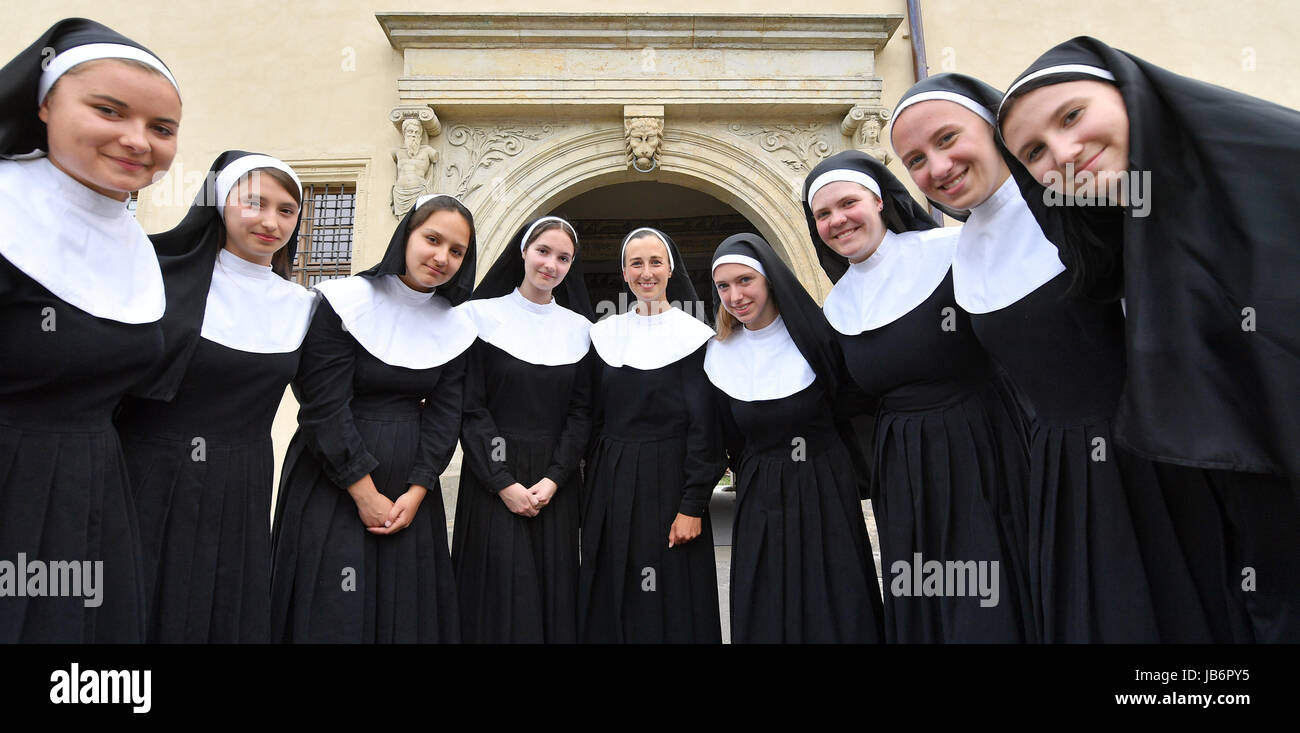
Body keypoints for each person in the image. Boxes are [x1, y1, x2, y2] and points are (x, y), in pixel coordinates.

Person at [891, 72, 1213, 642]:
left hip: (1154, 450)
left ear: (996, 130)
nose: (935, 169)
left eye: (947, 139)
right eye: (915, 160)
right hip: (1058, 469)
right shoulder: (961, 253)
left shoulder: (1077, 203)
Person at [998, 38, 1300, 641]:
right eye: (1034, 151)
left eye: (1072, 115)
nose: (1062, 151)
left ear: (1131, 93)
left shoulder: (1275, 161)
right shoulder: (1128, 239)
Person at [802, 150, 1034, 643]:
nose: (837, 220)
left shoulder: (953, 249)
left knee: (988, 580)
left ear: (880, 201)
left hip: (983, 443)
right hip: (902, 463)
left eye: (848, 203)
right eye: (822, 214)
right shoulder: (838, 305)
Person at [0, 18, 181, 642]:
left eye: (161, 129)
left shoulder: (132, 242)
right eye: (109, 110)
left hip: (95, 493)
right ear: (46, 103)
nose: (138, 141)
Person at [115, 151, 315, 642]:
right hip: (147, 469)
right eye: (255, 203)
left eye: (286, 210)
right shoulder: (157, 275)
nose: (272, 221)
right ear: (220, 203)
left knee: (224, 600)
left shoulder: (305, 307)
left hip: (241, 478)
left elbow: (325, 395)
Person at [270, 193, 477, 643]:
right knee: (333, 606)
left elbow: (447, 416)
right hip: (332, 476)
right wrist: (362, 491)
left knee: (406, 608)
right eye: (432, 239)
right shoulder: (345, 301)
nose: (442, 257)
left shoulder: (458, 324)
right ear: (407, 234)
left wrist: (419, 488)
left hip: (409, 490)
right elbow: (323, 404)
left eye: (456, 250)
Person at [704, 232, 884, 643]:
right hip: (758, 492)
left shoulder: (819, 338)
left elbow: (855, 401)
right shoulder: (719, 353)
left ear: (770, 279)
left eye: (745, 280)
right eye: (724, 286)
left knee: (832, 593)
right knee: (766, 594)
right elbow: (728, 436)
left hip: (823, 485)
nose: (735, 295)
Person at [579, 227, 725, 643]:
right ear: (624, 273)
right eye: (636, 263)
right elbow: (590, 419)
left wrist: (693, 505)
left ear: (670, 269)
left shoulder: (696, 338)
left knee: (672, 595)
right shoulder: (603, 335)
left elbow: (706, 431)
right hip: (611, 483)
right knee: (613, 589)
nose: (647, 272)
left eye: (655, 262)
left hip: (671, 485)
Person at [454, 215, 594, 642]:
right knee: (495, 593)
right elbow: (471, 408)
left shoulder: (582, 330)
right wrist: (503, 481)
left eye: (563, 258)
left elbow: (582, 414)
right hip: (492, 479)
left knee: (553, 594)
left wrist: (553, 478)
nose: (551, 264)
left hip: (556, 484)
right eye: (543, 251)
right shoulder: (478, 317)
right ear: (524, 252)